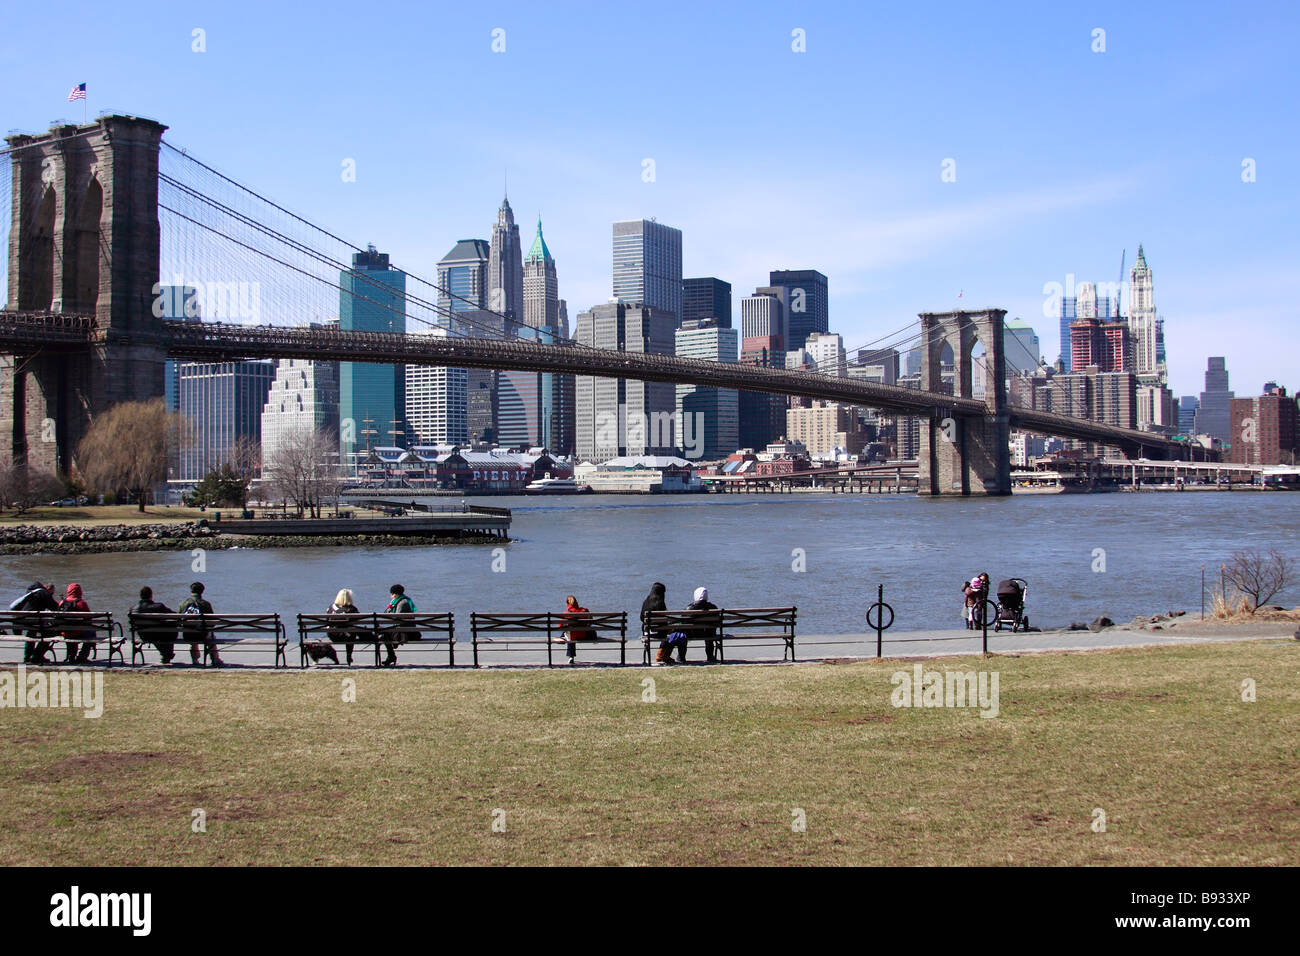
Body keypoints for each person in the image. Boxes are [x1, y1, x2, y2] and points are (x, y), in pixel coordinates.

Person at [11, 582, 59, 664]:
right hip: (35, 621)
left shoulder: (31, 592)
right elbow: (54, 607)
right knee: (50, 634)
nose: (52, 594)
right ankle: (37, 656)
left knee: (31, 633)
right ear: (49, 589)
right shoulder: (44, 593)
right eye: (52, 592)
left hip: (24, 620)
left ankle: (27, 657)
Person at [178, 581, 224, 667]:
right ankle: (215, 659)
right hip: (202, 635)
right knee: (210, 634)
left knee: (192, 630)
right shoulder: (205, 604)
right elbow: (212, 622)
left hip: (187, 635)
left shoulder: (183, 604)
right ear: (202, 592)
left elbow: (177, 619)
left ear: (191, 591)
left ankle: (195, 659)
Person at [134, 586, 177, 664]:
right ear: (151, 595)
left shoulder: (133, 609)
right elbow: (174, 615)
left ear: (141, 596)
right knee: (171, 628)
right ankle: (167, 654)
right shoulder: (159, 606)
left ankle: (166, 654)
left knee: (157, 632)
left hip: (143, 635)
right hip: (159, 634)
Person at [59, 583, 95, 664]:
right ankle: (82, 656)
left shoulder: (61, 602)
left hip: (64, 632)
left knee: (70, 631)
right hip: (78, 632)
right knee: (91, 632)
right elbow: (89, 618)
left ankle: (70, 656)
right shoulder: (81, 603)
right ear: (79, 591)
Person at [381, 584, 416, 667]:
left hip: (405, 633)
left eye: (391, 594)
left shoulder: (402, 603)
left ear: (395, 594)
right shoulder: (404, 600)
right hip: (407, 630)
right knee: (384, 634)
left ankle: (391, 656)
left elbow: (396, 618)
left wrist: (390, 607)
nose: (391, 596)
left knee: (383, 635)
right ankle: (391, 656)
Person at [325, 588, 363, 665]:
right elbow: (359, 619)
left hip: (333, 636)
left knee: (350, 631)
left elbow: (327, 620)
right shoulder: (352, 609)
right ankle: (349, 655)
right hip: (347, 636)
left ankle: (348, 656)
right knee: (352, 632)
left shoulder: (331, 608)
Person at [685, 586, 722, 664]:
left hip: (692, 634)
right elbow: (718, 621)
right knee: (710, 631)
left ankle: (681, 657)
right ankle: (710, 656)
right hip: (709, 634)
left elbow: (683, 621)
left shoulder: (689, 609)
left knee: (683, 631)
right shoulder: (713, 607)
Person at [640, 582, 672, 665]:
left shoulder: (646, 601)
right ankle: (663, 655)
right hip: (659, 632)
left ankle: (661, 655)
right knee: (672, 631)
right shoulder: (660, 603)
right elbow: (664, 620)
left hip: (647, 632)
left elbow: (641, 618)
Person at [559, 594, 596, 665]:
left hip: (573, 636)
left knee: (570, 634)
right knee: (571, 633)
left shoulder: (567, 613)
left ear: (567, 603)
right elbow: (591, 621)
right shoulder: (585, 610)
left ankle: (571, 656)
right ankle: (562, 637)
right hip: (585, 635)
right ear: (576, 602)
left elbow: (560, 626)